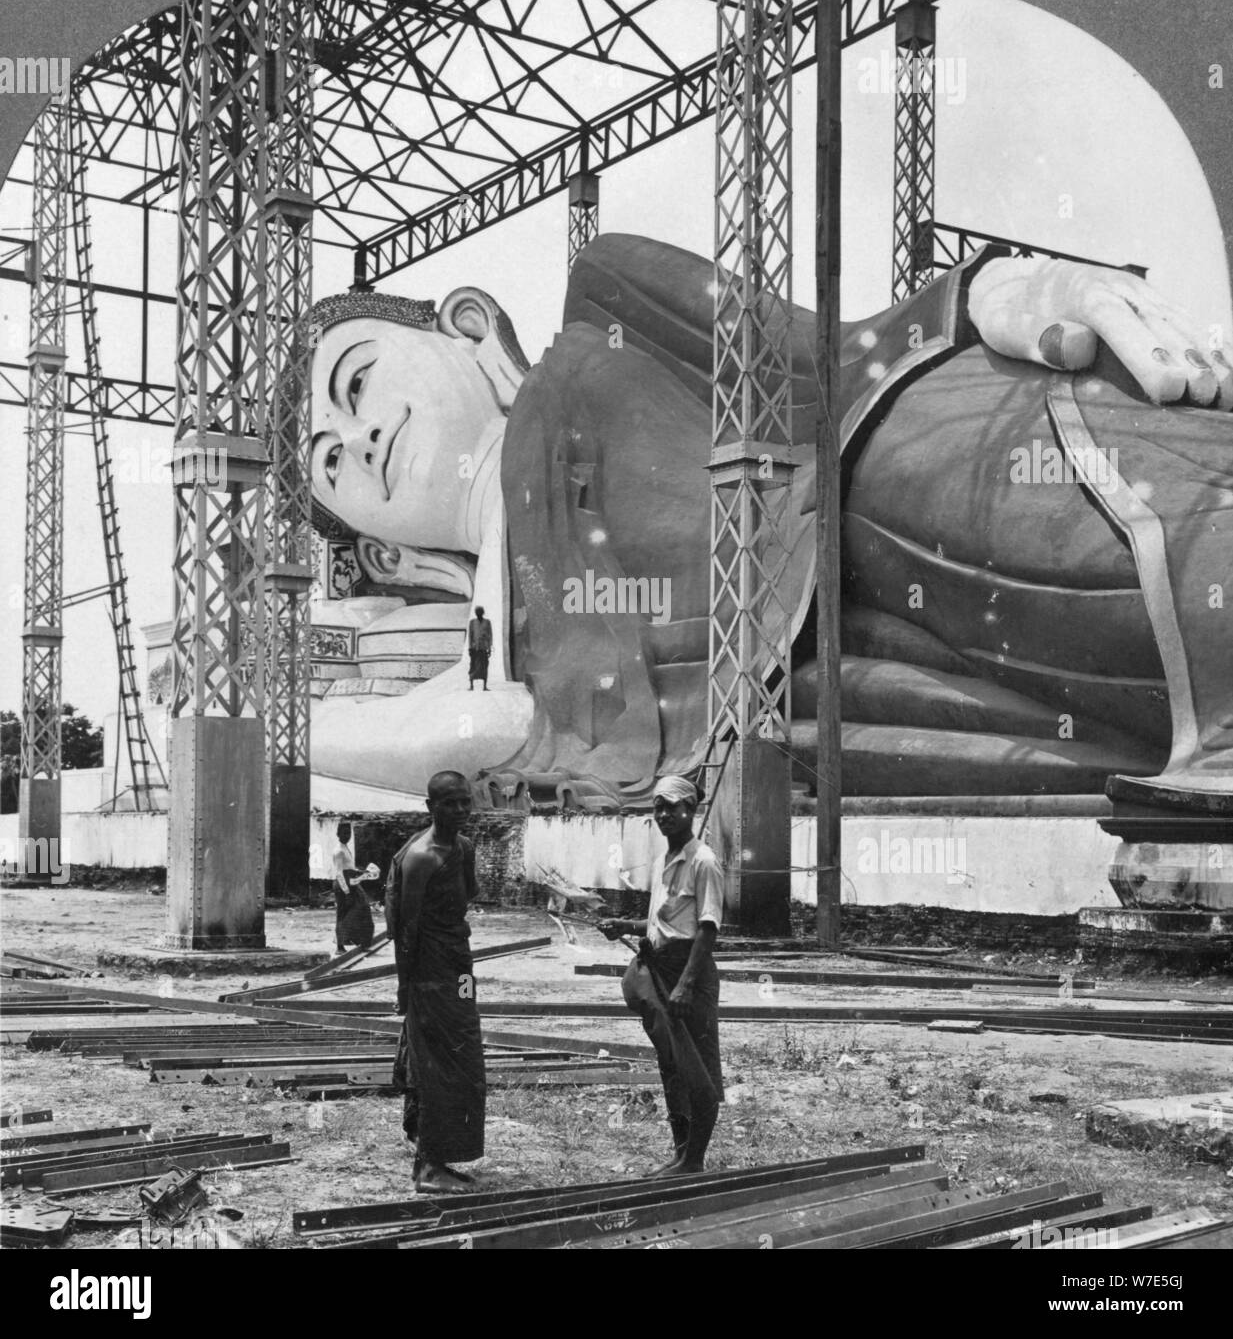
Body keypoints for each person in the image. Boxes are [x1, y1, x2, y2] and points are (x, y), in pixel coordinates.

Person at [308, 235, 1233, 814]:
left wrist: (988, 290)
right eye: (331, 463)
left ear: (466, 328)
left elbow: (819, 351)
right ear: (384, 547)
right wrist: (269, 726)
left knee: (1144, 541)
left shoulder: (607, 300)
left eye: (356, 382)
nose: (358, 436)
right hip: (845, 681)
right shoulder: (500, 647)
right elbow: (481, 731)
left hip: (878, 472)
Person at [598, 775, 724, 1175]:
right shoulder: (662, 862)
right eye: (659, 807)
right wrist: (626, 925)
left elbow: (706, 929)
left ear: (692, 811)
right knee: (672, 1065)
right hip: (661, 969)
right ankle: (680, 1153)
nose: (665, 814)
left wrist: (686, 985)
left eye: (674, 807)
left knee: (697, 1067)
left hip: (690, 976)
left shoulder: (703, 861)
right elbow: (663, 924)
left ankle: (696, 1160)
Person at [384, 770, 486, 1194]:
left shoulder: (463, 849)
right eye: (450, 803)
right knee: (437, 1063)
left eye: (465, 802)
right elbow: (406, 932)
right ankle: (428, 1165)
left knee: (465, 1047)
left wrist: (465, 984)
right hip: (429, 975)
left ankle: (437, 1153)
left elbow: (464, 904)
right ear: (431, 807)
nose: (460, 810)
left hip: (460, 971)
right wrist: (406, 990)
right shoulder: (421, 857)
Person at [331, 821, 375, 953]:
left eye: (349, 833)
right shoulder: (338, 851)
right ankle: (340, 946)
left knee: (363, 909)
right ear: (338, 834)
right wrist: (347, 892)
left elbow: (349, 867)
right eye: (344, 833)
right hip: (343, 884)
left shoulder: (346, 848)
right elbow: (339, 873)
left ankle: (361, 942)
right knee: (343, 914)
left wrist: (359, 872)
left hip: (352, 881)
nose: (347, 835)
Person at [468, 605, 493, 691]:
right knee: (473, 665)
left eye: (480, 612)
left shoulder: (487, 622)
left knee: (484, 666)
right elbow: (470, 636)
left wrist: (489, 648)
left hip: (483, 648)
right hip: (475, 648)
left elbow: (490, 635)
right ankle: (471, 685)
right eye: (477, 612)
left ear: (483, 613)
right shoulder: (472, 622)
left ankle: (484, 686)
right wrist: (470, 647)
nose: (478, 614)